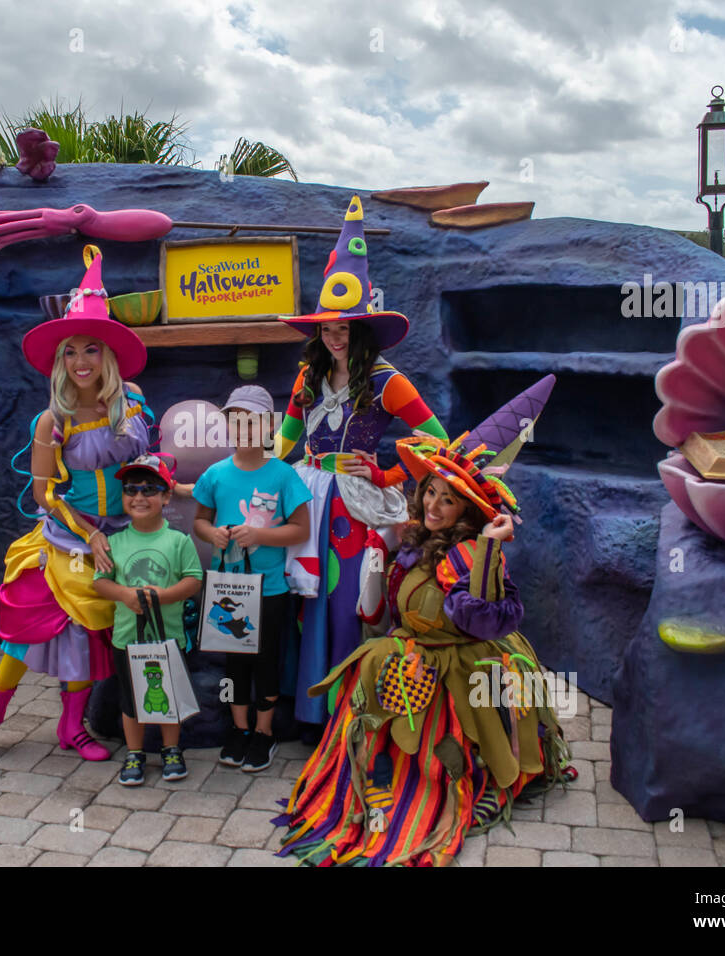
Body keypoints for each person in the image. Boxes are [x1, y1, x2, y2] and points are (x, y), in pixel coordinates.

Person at [279, 409, 574, 867]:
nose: (434, 505)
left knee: (462, 726)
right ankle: (379, 778)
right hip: (413, 648)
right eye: (431, 492)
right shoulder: (416, 537)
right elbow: (389, 608)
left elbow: (479, 621)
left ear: (468, 511)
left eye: (448, 500)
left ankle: (486, 782)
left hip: (460, 660)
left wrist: (491, 548)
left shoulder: (468, 553)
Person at [0, 245, 155, 762]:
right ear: (59, 360)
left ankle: (73, 729)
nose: (80, 361)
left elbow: (146, 462)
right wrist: (89, 534)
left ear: (106, 355)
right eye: (70, 351)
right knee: (26, 630)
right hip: (70, 537)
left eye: (90, 349)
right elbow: (44, 493)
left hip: (122, 536)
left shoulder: (131, 400)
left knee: (90, 636)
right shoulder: (53, 421)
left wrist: (162, 487)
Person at [271, 195, 449, 725]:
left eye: (344, 327)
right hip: (307, 498)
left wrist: (387, 473)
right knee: (307, 596)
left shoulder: (387, 381)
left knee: (351, 595)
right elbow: (286, 438)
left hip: (357, 507)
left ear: (363, 329)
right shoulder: (308, 378)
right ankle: (308, 709)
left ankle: (349, 711)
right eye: (327, 327)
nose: (334, 335)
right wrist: (262, 481)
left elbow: (437, 441)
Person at [193, 385, 310, 772]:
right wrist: (214, 535)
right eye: (235, 420)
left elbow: (300, 531)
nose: (243, 428)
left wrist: (259, 536)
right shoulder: (215, 474)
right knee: (235, 663)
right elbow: (199, 521)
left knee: (266, 660)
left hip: (270, 589)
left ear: (266, 427)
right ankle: (239, 729)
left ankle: (264, 732)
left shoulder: (283, 475)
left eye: (251, 420)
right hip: (227, 587)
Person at [93, 455, 203, 786]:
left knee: (167, 696)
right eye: (131, 489)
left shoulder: (178, 541)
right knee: (131, 700)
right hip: (127, 640)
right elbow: (100, 583)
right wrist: (125, 595)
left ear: (167, 496)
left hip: (168, 639)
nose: (139, 497)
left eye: (149, 489)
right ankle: (135, 752)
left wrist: (164, 595)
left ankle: (171, 749)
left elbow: (194, 580)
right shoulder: (114, 542)